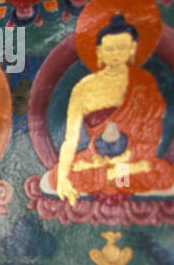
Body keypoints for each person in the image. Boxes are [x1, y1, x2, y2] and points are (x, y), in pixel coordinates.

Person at [52, 13, 174, 205]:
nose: (116, 54)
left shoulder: (143, 83)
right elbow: (71, 138)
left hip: (132, 159)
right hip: (95, 157)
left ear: (133, 48)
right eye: (109, 49)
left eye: (122, 47)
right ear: (99, 51)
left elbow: (151, 130)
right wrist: (62, 179)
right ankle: (114, 176)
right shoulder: (84, 87)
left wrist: (129, 158)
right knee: (58, 174)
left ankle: (117, 177)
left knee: (162, 174)